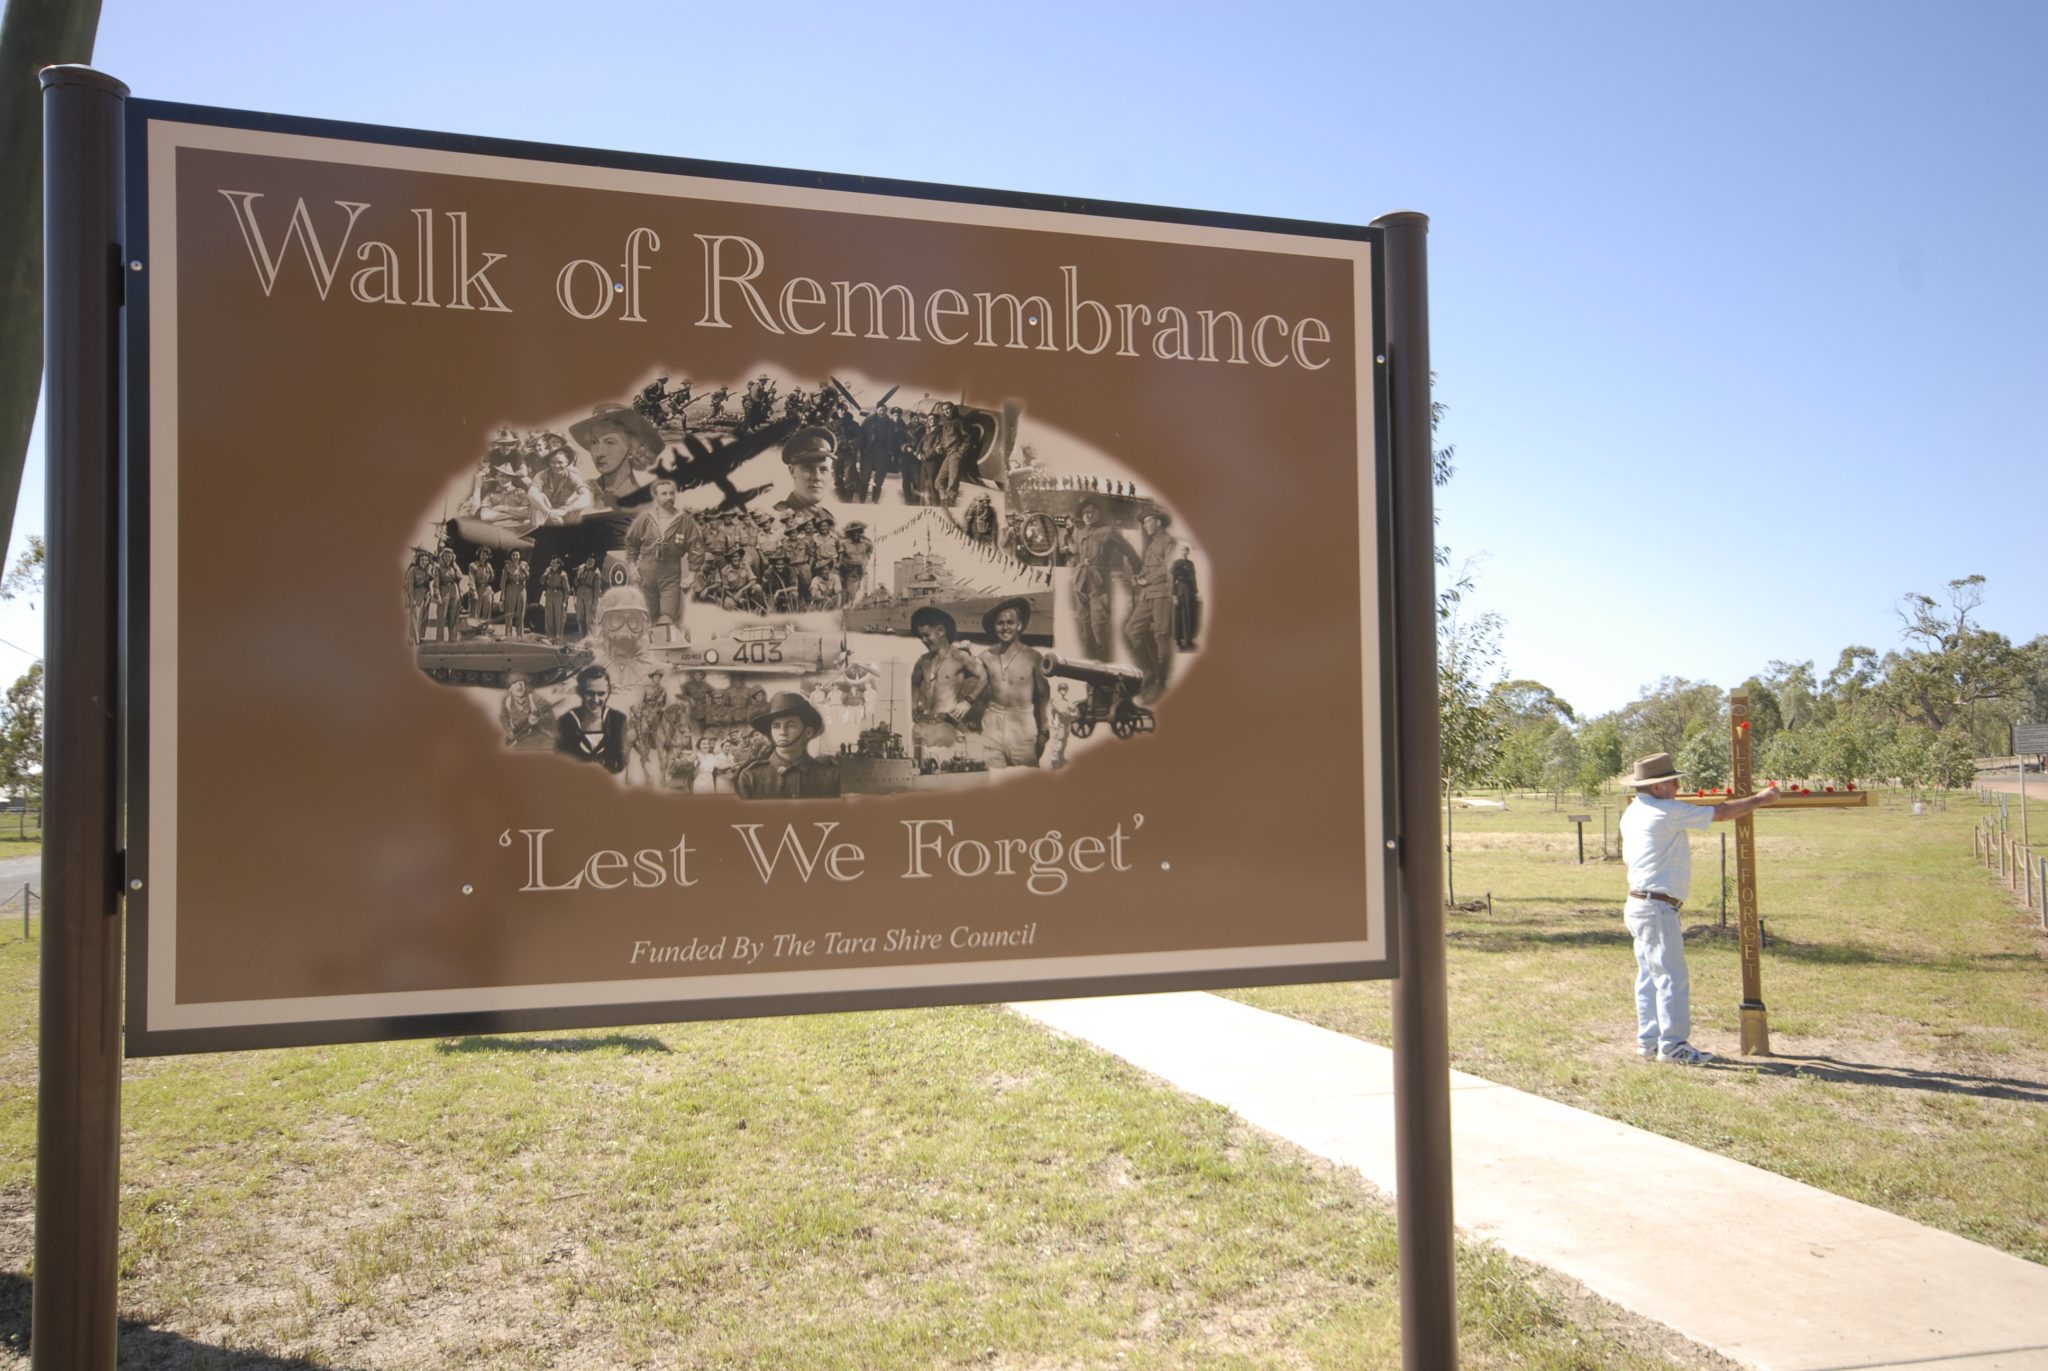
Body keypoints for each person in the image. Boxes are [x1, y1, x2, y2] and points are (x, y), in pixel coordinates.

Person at [1619, 753, 1780, 1064]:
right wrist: (1761, 799)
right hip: (1656, 905)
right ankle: (1673, 1046)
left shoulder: (1633, 811)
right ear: (1656, 787)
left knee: (1650, 977)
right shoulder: (1665, 810)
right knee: (1671, 977)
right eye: (1672, 782)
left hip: (1639, 903)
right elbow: (1721, 813)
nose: (1678, 787)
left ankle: (1649, 1042)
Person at [976, 597, 1049, 767]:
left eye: (1010, 622)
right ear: (994, 627)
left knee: (1027, 780)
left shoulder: (1033, 657)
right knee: (992, 778)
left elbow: (1043, 696)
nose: (1005, 628)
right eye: (1000, 623)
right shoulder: (985, 657)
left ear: (1019, 625)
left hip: (1022, 725)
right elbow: (972, 687)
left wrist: (1044, 731)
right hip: (992, 725)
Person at [624, 477, 700, 632]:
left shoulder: (684, 521)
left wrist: (692, 574)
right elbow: (631, 543)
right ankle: (648, 646)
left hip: (670, 575)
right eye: (664, 494)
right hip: (646, 575)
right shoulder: (645, 520)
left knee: (667, 619)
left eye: (672, 493)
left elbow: (696, 547)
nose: (669, 497)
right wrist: (632, 567)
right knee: (648, 618)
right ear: (656, 497)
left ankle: (667, 645)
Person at [908, 606, 988, 752]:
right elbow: (914, 681)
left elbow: (983, 677)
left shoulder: (959, 657)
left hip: (947, 725)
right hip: (922, 726)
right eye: (921, 637)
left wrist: (968, 702)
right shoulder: (923, 661)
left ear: (941, 631)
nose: (924, 640)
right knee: (917, 763)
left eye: (926, 635)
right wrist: (914, 704)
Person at [734, 692, 841, 799]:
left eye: (791, 725)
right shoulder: (751, 777)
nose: (782, 732)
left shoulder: (829, 777)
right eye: (776, 726)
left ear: (808, 732)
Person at [1069, 497, 1136, 661]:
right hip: (1080, 582)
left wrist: (1137, 569)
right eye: (1084, 513)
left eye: (1091, 512)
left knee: (1099, 625)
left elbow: (1129, 550)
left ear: (1098, 513)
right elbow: (1077, 554)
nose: (1087, 516)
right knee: (1084, 625)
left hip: (1098, 582)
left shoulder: (1109, 531)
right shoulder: (1080, 533)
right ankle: (1088, 664)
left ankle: (1104, 664)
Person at [1124, 508, 1178, 702]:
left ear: (1158, 522)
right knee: (1131, 629)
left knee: (1160, 635)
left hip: (1162, 593)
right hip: (1147, 594)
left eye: (1148, 521)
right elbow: (1149, 568)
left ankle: (1161, 682)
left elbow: (1168, 568)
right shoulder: (1153, 543)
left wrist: (1147, 580)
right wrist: (1140, 577)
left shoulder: (1169, 542)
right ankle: (1150, 670)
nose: (1145, 525)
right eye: (1144, 522)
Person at [569, 403, 661, 510]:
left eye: (610, 442)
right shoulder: (580, 492)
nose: (599, 453)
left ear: (633, 448)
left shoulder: (647, 503)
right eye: (594, 442)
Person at [556, 665, 629, 774]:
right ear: (580, 692)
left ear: (608, 692)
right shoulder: (567, 722)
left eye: (601, 693)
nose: (596, 700)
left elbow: (621, 763)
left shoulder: (618, 720)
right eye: (590, 693)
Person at [527, 446, 593, 525]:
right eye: (553, 462)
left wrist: (565, 510)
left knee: (579, 505)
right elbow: (532, 493)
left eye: (560, 462)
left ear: (567, 463)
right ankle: (539, 529)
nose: (556, 466)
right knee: (539, 499)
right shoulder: (542, 475)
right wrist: (549, 512)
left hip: (563, 511)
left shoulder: (573, 477)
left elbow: (586, 495)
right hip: (545, 510)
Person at [774, 425, 834, 512]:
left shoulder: (827, 516)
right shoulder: (777, 515)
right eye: (808, 469)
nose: (817, 477)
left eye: (823, 470)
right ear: (792, 471)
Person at [540, 556, 572, 642]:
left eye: (554, 563)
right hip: (549, 594)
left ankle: (558, 636)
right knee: (549, 616)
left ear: (558, 564)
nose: (551, 564)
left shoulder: (563, 574)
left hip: (558, 595)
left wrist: (565, 601)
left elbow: (567, 589)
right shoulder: (548, 573)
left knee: (559, 616)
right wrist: (545, 573)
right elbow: (542, 581)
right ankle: (549, 635)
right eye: (551, 563)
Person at [500, 550, 530, 638]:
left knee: (521, 611)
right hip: (511, 587)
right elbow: (503, 581)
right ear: (511, 556)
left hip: (521, 588)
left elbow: (528, 576)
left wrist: (524, 569)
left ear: (520, 556)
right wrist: (503, 594)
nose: (515, 557)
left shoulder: (524, 565)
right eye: (513, 555)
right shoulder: (507, 566)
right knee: (509, 611)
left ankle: (520, 634)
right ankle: (508, 633)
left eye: (517, 555)